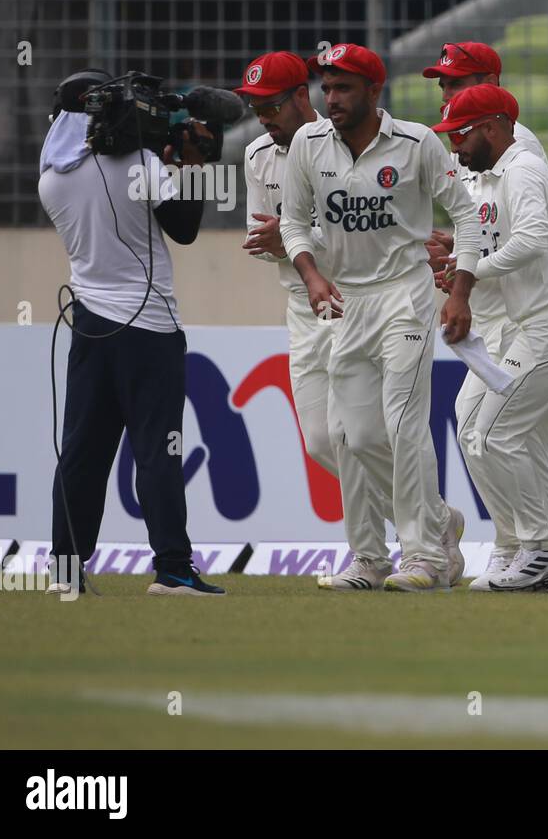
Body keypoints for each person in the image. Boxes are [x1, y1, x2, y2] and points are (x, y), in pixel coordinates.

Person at [279, 43, 479, 592]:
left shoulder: (416, 144)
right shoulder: (307, 143)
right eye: (326, 87)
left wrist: (459, 292)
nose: (331, 98)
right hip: (346, 300)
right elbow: (293, 223)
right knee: (352, 435)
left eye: (344, 88)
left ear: (374, 90)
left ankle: (423, 558)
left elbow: (467, 214)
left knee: (403, 423)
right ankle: (380, 553)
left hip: (404, 294)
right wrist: (313, 277)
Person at [40, 68, 223, 596]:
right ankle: (171, 569)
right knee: (159, 450)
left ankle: (66, 573)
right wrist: (190, 162)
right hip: (150, 328)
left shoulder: (51, 177)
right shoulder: (141, 165)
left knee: (82, 452)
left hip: (89, 325)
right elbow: (184, 229)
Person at [431, 85, 548, 592]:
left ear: (492, 126)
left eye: (462, 134)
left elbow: (532, 240)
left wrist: (469, 273)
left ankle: (544, 546)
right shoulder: (491, 177)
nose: (455, 147)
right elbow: (508, 239)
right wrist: (460, 255)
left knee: (490, 434)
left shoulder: (523, 168)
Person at [237, 51, 404, 591]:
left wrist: (293, 236)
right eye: (255, 106)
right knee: (319, 441)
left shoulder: (337, 144)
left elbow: (364, 233)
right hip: (300, 305)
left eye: (272, 105)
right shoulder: (258, 155)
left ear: (301, 97)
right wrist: (278, 244)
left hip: (350, 301)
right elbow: (262, 242)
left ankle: (371, 558)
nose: (263, 116)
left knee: (349, 433)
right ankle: (429, 520)